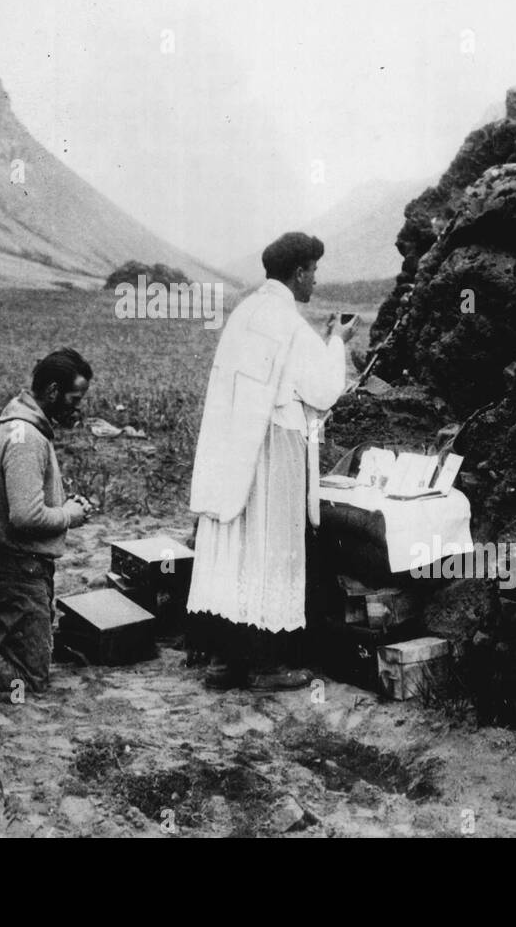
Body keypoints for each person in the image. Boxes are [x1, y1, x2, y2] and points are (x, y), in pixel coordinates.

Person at [186, 232, 358, 690]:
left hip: (233, 449)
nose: (315, 282)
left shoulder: (244, 313)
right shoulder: (289, 323)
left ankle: (224, 661)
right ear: (299, 272)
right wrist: (338, 342)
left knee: (235, 551)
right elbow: (321, 391)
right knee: (273, 549)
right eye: (314, 271)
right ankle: (267, 665)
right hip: (274, 447)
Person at [0, 348, 94, 693]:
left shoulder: (23, 429)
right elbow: (25, 516)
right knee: (28, 677)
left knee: (28, 656)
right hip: (19, 573)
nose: (76, 406)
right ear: (52, 392)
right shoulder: (26, 438)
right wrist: (70, 514)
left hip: (20, 570)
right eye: (73, 397)